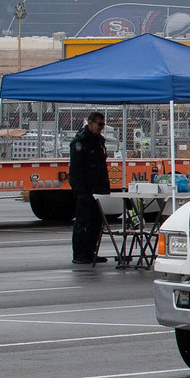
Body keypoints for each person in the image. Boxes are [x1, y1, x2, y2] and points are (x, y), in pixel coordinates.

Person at [69, 112, 110, 266]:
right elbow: (76, 170)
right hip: (85, 190)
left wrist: (106, 190)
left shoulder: (99, 141)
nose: (101, 128)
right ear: (90, 123)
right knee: (83, 222)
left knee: (96, 223)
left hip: (98, 189)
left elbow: (102, 168)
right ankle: (80, 254)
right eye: (99, 124)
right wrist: (81, 192)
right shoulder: (80, 142)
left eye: (103, 125)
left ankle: (91, 252)